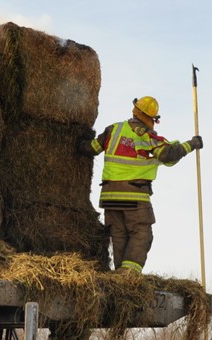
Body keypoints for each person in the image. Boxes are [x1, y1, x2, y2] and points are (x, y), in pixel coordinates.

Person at [78, 96, 203, 273]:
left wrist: (77, 139)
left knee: (119, 237)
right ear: (151, 119)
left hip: (109, 197)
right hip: (134, 195)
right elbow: (168, 155)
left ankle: (121, 279)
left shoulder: (113, 130)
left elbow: (90, 149)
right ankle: (128, 276)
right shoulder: (147, 136)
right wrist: (192, 144)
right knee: (142, 235)